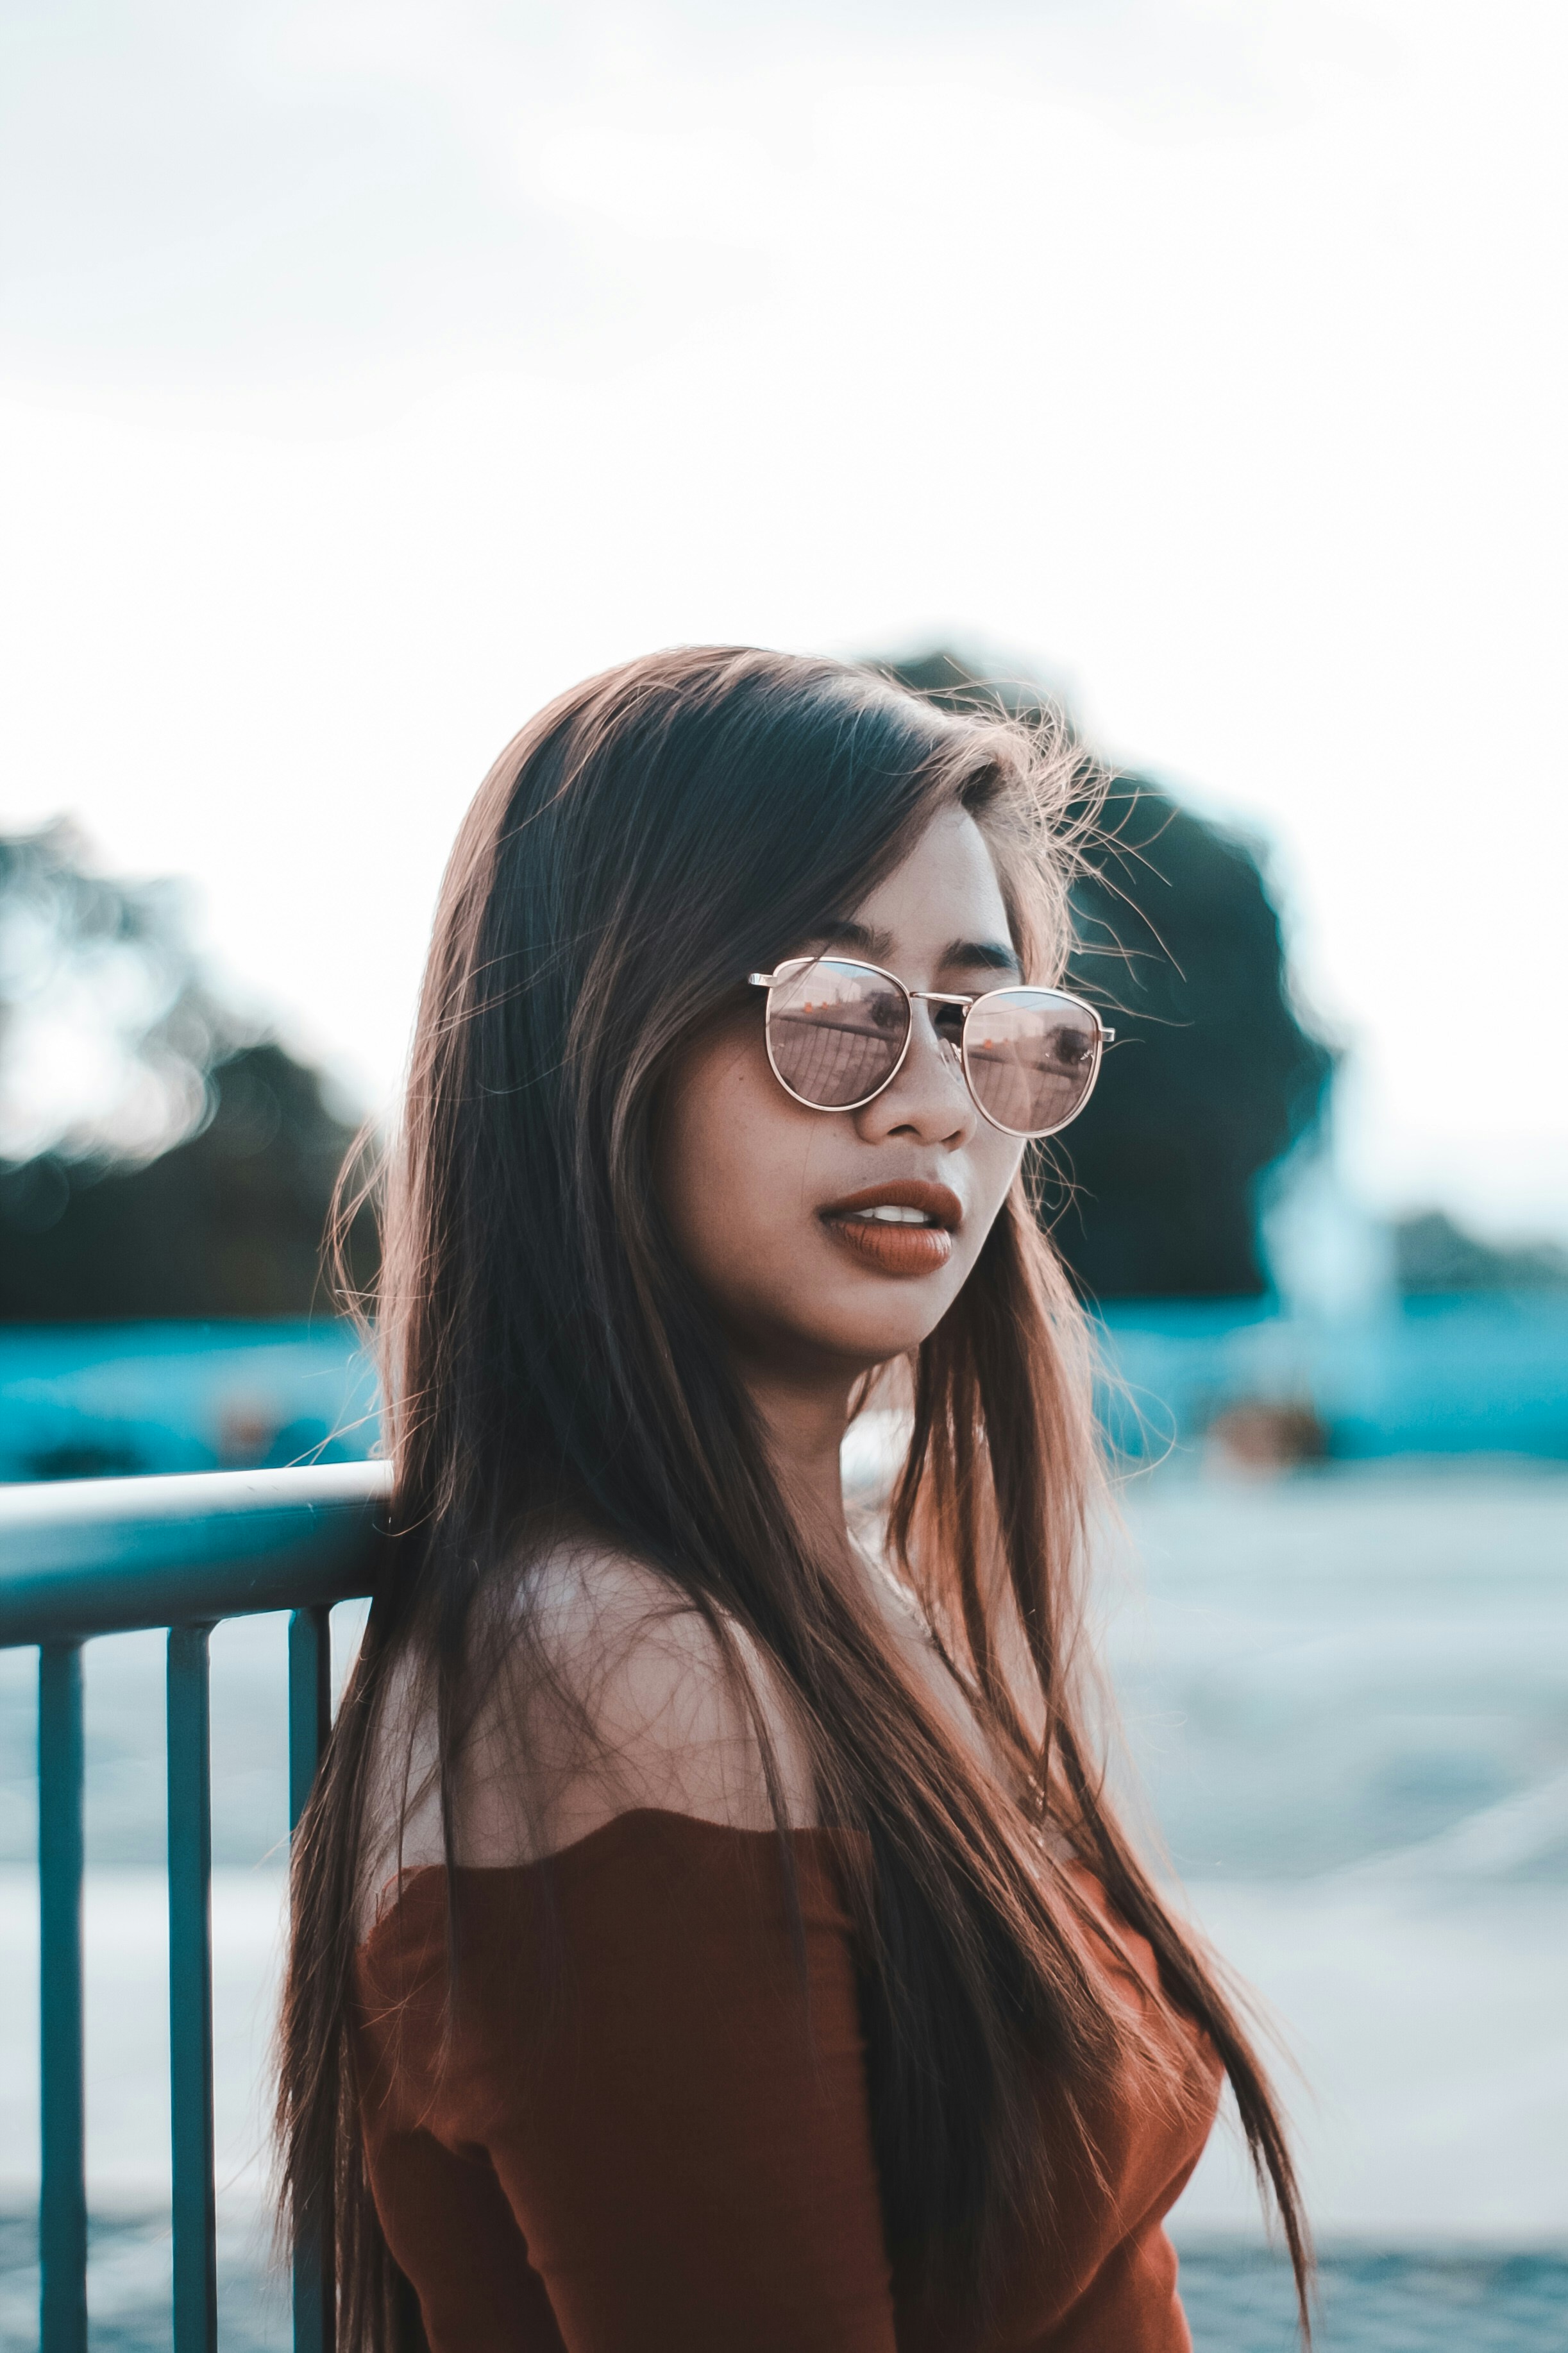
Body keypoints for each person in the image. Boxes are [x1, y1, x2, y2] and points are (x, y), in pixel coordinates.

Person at [278, 647, 1310, 2351]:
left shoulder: (822, 1586)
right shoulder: (621, 1666)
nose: (929, 1098)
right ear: (592, 1030)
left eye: (985, 1020)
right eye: (835, 1005)